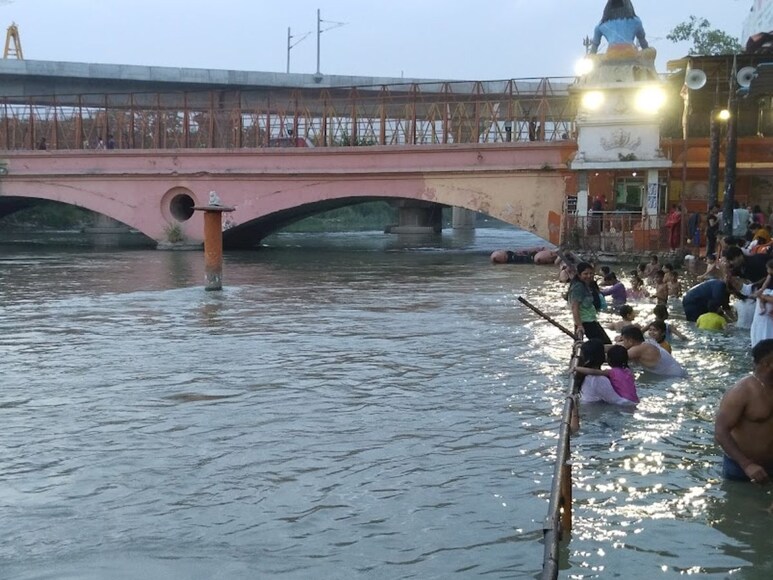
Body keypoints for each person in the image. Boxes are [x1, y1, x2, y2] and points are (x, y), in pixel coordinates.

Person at [714, 338, 773, 483]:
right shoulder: (742, 391)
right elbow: (720, 431)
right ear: (768, 364)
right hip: (741, 468)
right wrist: (747, 464)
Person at [573, 339, 637, 406]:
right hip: (624, 405)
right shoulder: (599, 379)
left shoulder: (589, 376)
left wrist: (576, 368)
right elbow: (617, 400)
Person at [616, 325, 686, 377]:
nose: (622, 342)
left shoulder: (639, 349)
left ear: (630, 341)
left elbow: (615, 358)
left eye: (623, 340)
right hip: (678, 374)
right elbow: (618, 346)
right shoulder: (646, 342)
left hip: (673, 378)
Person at [568, 262, 611, 343]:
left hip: (590, 320)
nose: (589, 276)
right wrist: (580, 326)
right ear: (579, 274)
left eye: (591, 273)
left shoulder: (585, 285)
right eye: (585, 274)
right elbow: (575, 307)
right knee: (605, 344)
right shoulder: (578, 287)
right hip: (586, 322)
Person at [750, 259, 773, 348]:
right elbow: (765, 284)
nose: (767, 271)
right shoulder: (769, 276)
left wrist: (762, 295)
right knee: (761, 299)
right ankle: (762, 307)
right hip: (766, 294)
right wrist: (761, 291)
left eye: (768, 269)